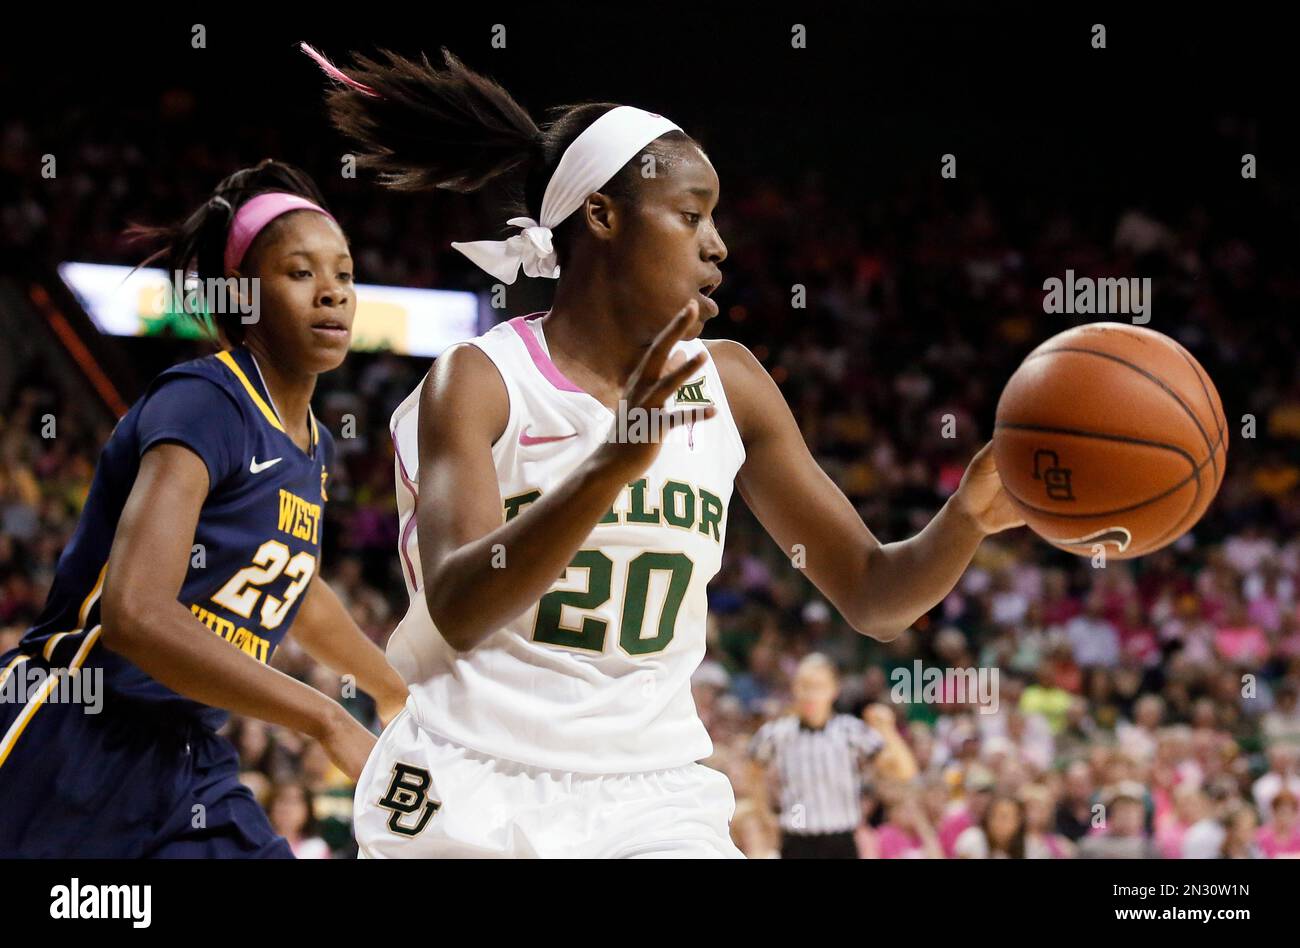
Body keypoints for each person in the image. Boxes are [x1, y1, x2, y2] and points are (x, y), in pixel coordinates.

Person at [307, 45, 1022, 859]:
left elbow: (873, 596)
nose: (718, 245)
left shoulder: (733, 385)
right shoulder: (481, 381)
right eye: (692, 215)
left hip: (651, 792)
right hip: (469, 781)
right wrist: (610, 464)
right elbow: (459, 611)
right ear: (603, 216)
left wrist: (965, 519)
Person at [0, 161, 407, 857]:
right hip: (71, 737)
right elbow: (135, 616)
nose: (332, 294)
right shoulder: (205, 401)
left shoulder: (310, 446)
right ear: (245, 296)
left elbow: (292, 592)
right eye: (300, 274)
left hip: (188, 759)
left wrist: (394, 690)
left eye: (342, 274)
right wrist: (326, 718)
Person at [748, 654, 916, 858]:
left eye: (818, 686)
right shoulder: (776, 733)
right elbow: (753, 772)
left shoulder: (850, 730)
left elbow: (904, 771)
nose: (810, 694)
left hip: (841, 840)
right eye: (804, 685)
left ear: (834, 689)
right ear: (794, 688)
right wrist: (764, 815)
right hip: (796, 840)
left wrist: (888, 730)